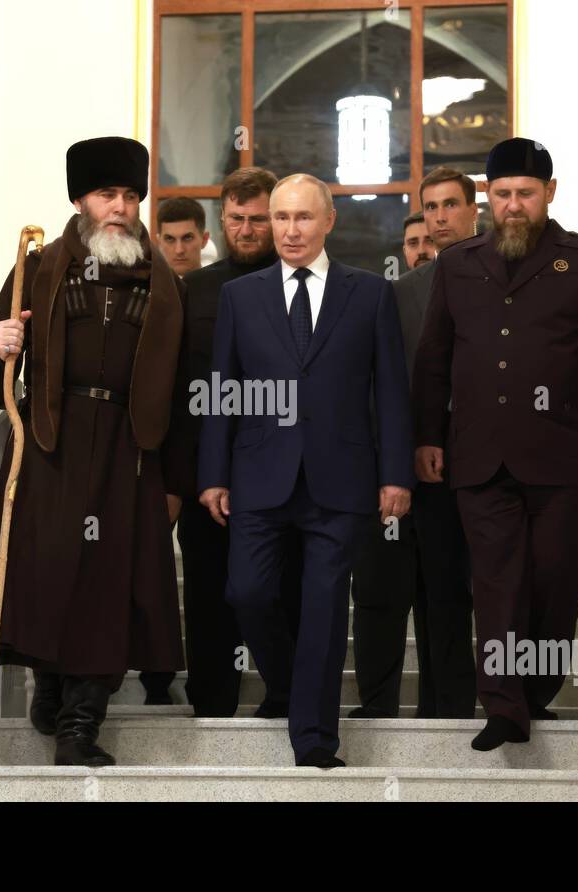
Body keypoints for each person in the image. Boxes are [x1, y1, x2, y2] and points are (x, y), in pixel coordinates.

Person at [0, 136, 193, 767]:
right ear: (78, 199)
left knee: (108, 588)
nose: (118, 207)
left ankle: (80, 728)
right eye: (104, 195)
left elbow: (181, 389)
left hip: (129, 451)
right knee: (48, 578)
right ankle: (51, 688)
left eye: (127, 195)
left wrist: (174, 477)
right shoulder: (38, 268)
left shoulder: (163, 281)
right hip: (51, 447)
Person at [413, 137, 578, 751]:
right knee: (495, 582)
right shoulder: (457, 263)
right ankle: (503, 705)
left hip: (561, 459)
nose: (513, 205)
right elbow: (433, 359)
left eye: (525, 193)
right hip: (479, 457)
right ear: (488, 197)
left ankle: (537, 688)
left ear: (549, 193)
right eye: (502, 194)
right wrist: (426, 437)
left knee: (555, 582)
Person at [198, 174, 414, 768]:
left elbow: (391, 392)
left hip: (341, 479)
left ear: (328, 223)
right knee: (247, 592)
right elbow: (224, 390)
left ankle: (315, 738)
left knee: (323, 605)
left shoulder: (370, 294)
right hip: (258, 475)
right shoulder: (241, 298)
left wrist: (395, 474)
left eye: (301, 218)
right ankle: (293, 688)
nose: (288, 230)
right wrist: (213, 474)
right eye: (279, 218)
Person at [170, 167, 303, 717]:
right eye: (237, 220)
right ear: (221, 222)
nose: (248, 230)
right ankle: (211, 702)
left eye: (257, 220)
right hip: (208, 470)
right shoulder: (190, 290)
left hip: (287, 470)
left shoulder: (303, 287)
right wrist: (181, 477)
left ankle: (283, 693)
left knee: (283, 589)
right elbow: (177, 391)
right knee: (206, 591)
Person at [350, 167, 480, 720]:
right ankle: (377, 706)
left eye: (449, 208)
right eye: (429, 212)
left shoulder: (496, 283)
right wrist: (389, 466)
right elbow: (377, 383)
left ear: (475, 211)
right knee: (379, 593)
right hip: (394, 467)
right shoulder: (394, 297)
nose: (437, 224)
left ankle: (448, 709)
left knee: (447, 595)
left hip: (465, 469)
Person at [156, 196, 212, 277]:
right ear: (159, 242)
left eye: (187, 238)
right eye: (170, 239)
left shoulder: (222, 288)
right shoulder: (148, 288)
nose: (179, 250)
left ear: (204, 239)